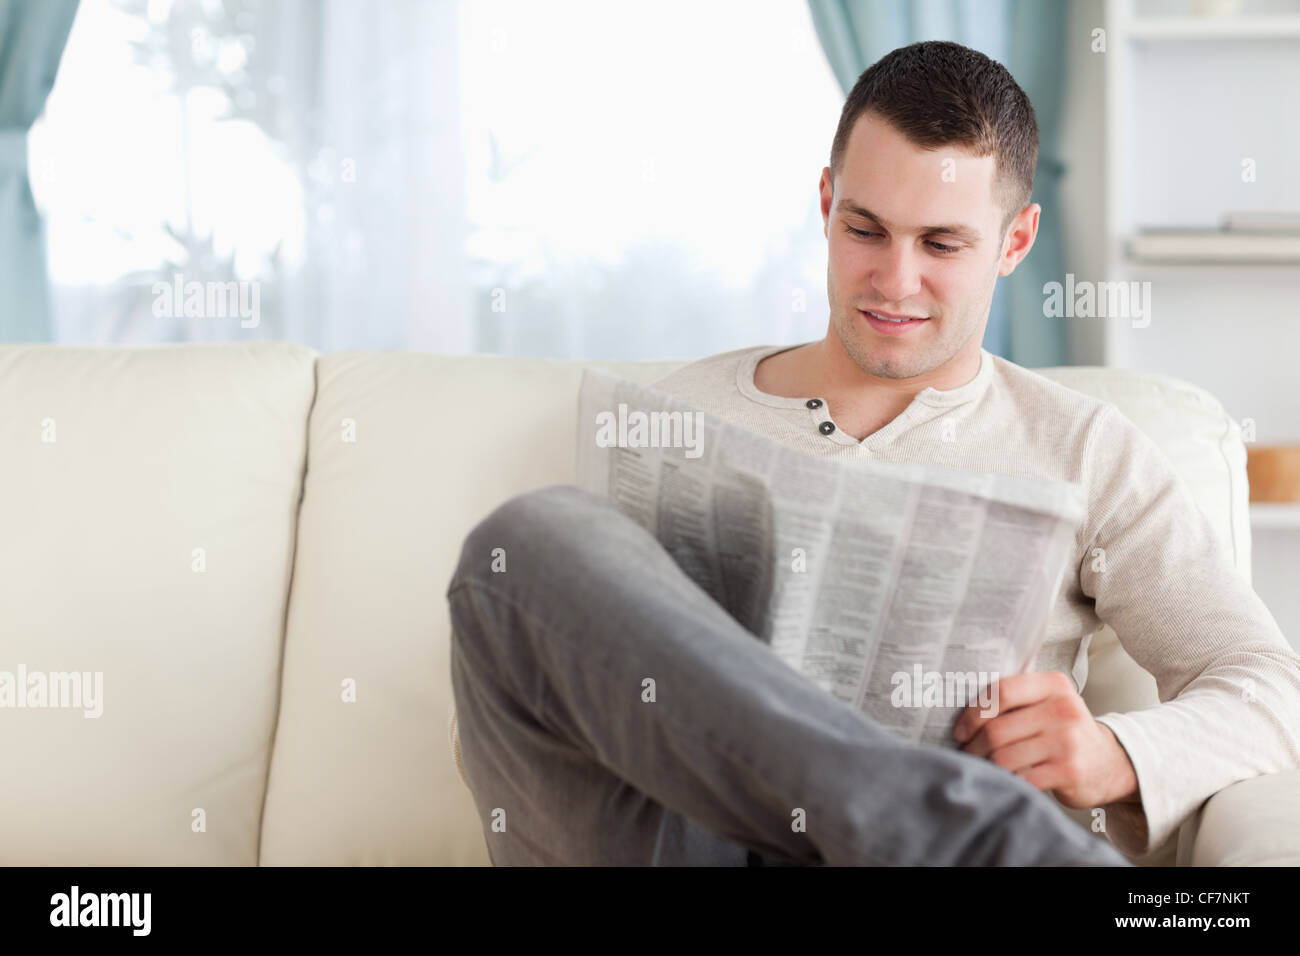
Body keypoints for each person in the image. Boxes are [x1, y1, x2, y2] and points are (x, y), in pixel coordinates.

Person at [448, 40, 1300, 866]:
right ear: (825, 202)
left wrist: (1114, 751)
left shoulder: (1084, 447)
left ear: (1015, 240)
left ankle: (938, 829)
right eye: (866, 229)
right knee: (523, 547)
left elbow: (1269, 686)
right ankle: (957, 824)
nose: (894, 281)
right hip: (682, 844)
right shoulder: (673, 417)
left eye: (941, 244)